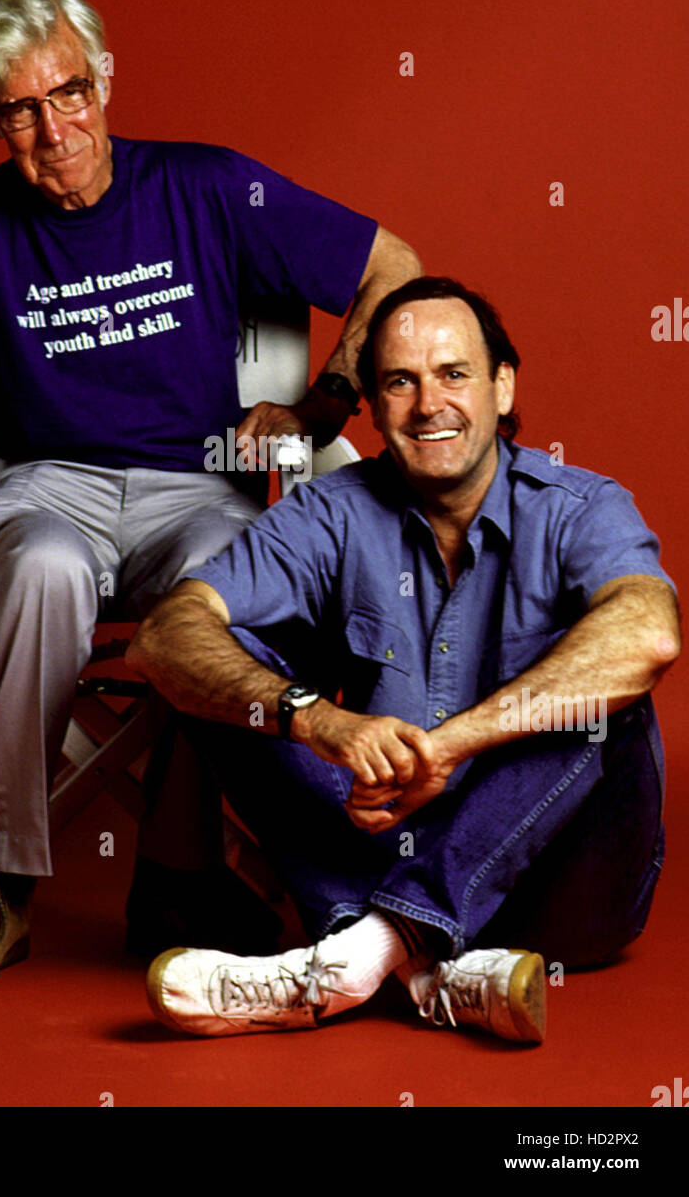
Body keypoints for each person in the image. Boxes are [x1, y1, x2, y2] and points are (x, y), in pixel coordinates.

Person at [0, 0, 422, 989]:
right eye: (20, 109)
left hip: (193, 486)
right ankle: (4, 877)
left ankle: (175, 874)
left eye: (69, 93)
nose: (53, 130)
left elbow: (394, 268)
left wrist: (320, 411)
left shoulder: (204, 186)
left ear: (103, 80)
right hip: (42, 487)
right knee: (46, 568)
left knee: (221, 581)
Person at [125, 276, 681, 1044]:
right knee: (225, 673)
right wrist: (316, 721)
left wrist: (456, 744)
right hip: (384, 845)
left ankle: (356, 955)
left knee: (588, 675)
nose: (428, 405)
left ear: (501, 385)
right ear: (374, 400)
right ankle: (419, 961)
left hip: (562, 895)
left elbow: (648, 635)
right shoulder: (332, 510)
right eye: (399, 381)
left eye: (453, 374)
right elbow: (163, 636)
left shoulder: (580, 507)